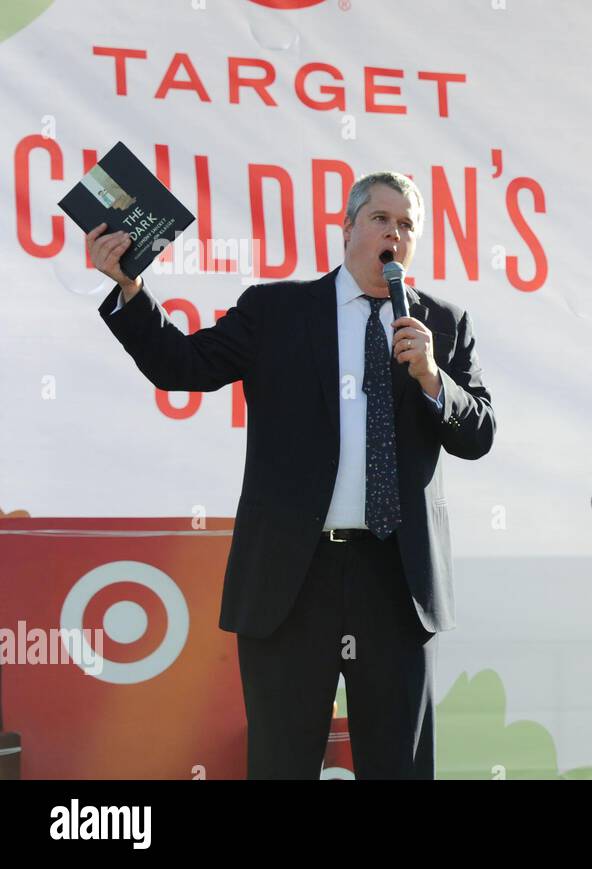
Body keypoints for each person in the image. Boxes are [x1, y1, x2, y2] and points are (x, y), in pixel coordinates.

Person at [89, 171, 494, 779]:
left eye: (407, 225)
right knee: (282, 760)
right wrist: (130, 287)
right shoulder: (276, 310)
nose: (395, 233)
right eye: (381, 219)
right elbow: (184, 366)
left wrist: (436, 380)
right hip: (293, 578)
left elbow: (480, 434)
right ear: (348, 227)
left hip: (395, 579)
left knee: (400, 767)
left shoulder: (443, 324)